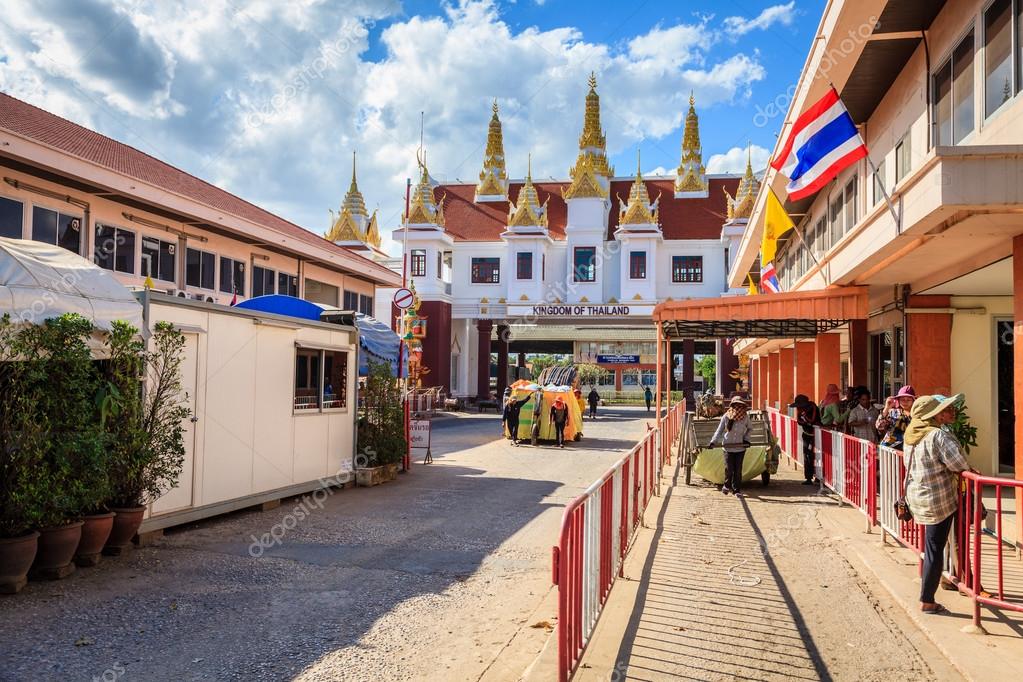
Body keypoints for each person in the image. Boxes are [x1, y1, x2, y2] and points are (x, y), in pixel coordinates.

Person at [903, 394, 973, 615]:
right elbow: (959, 464)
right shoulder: (937, 436)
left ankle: (949, 580)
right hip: (939, 501)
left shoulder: (911, 434)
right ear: (932, 415)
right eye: (944, 410)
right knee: (935, 549)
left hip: (919, 497)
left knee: (934, 546)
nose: (951, 412)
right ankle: (927, 600)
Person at [709, 397, 752, 497]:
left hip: (740, 448)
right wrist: (713, 442)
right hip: (728, 447)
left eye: (740, 405)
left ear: (743, 406)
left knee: (738, 470)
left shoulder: (745, 417)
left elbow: (750, 429)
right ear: (732, 406)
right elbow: (719, 431)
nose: (738, 407)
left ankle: (736, 490)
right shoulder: (726, 416)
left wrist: (746, 439)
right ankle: (726, 485)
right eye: (736, 405)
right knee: (729, 468)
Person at [790, 394, 821, 485]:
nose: (798, 408)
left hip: (816, 435)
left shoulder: (813, 407)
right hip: (806, 435)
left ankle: (819, 476)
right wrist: (805, 421)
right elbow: (799, 421)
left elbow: (812, 420)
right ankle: (808, 477)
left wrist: (806, 418)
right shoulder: (800, 410)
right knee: (807, 456)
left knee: (817, 456)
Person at [876, 385, 916, 450]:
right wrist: (886, 408)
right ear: (898, 400)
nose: (905, 402)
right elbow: (879, 426)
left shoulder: (916, 415)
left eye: (908, 400)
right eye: (902, 399)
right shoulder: (894, 413)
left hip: (907, 452)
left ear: (913, 401)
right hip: (889, 451)